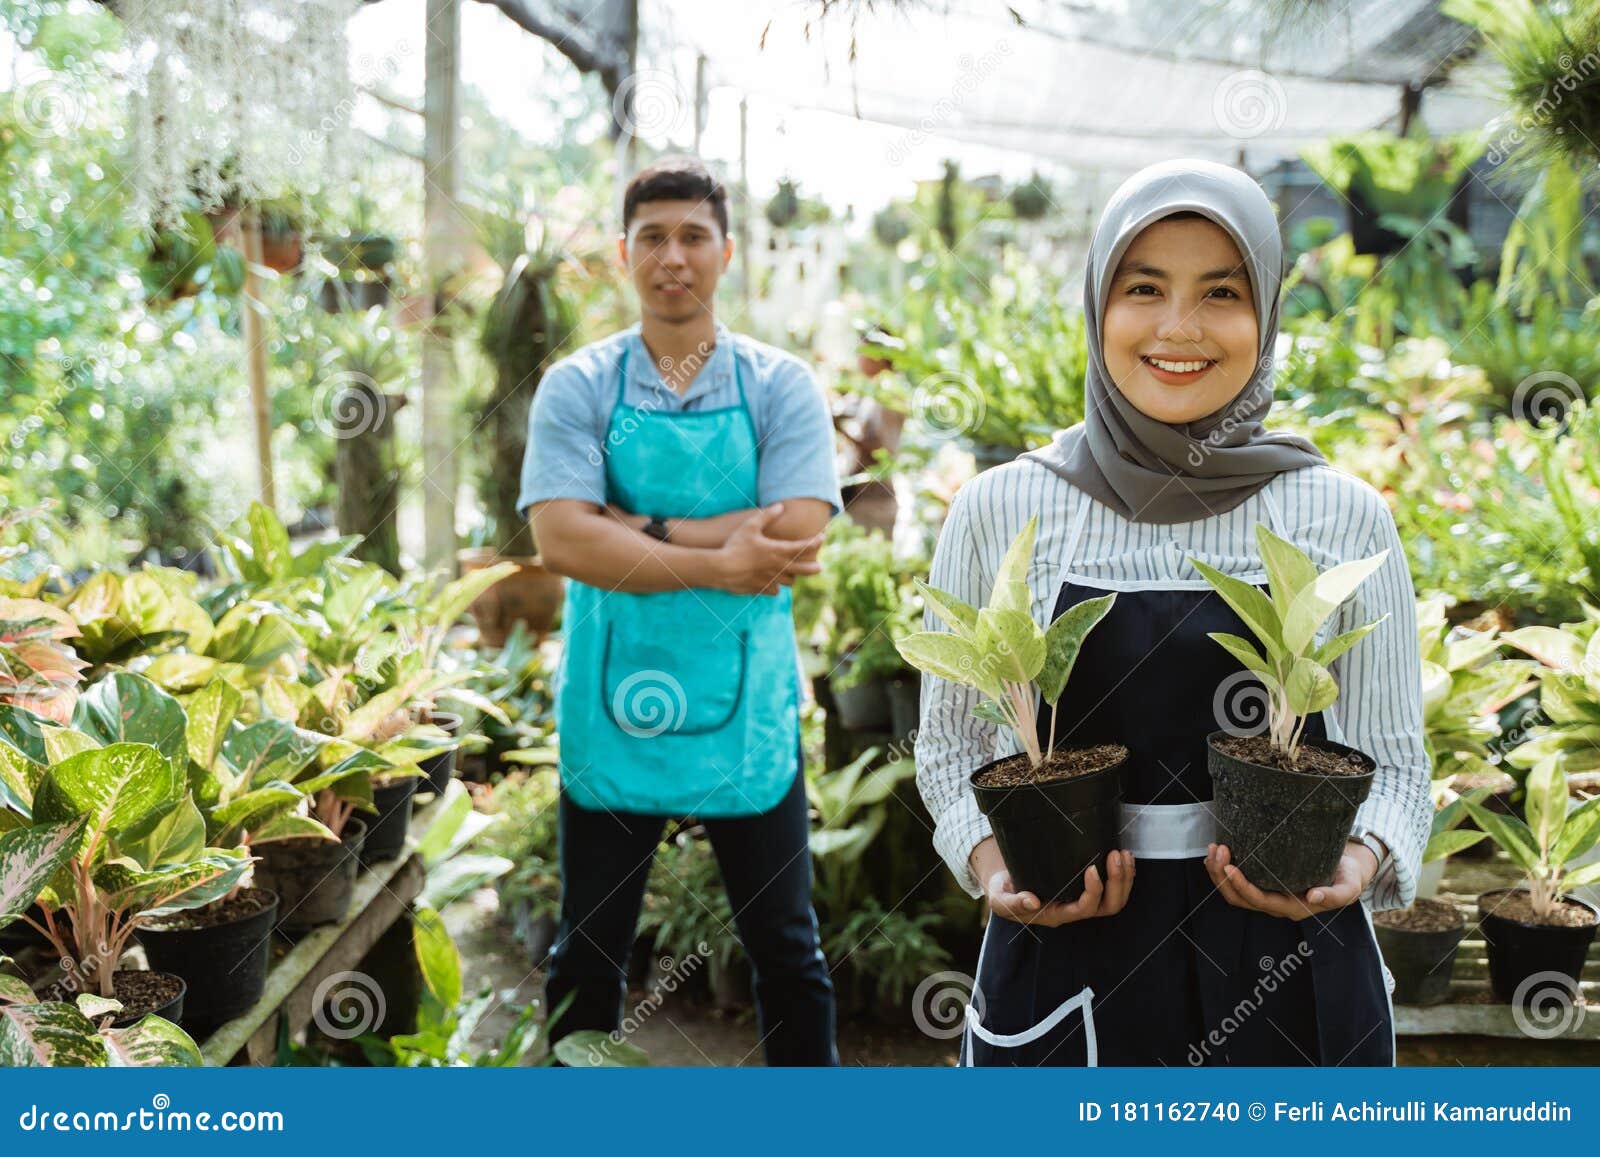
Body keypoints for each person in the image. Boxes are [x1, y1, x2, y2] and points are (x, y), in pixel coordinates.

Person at [915, 159, 1429, 1067]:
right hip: (1066, 957)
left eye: (1221, 292)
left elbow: (1395, 763)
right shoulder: (1002, 509)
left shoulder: (1341, 514)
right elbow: (951, 749)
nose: (1179, 328)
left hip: (1292, 965)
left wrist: (1357, 862)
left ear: (1266, 314)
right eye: (1144, 287)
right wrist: (994, 865)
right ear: (1097, 306)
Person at [518, 156, 843, 1066]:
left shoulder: (781, 386)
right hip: (614, 701)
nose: (674, 256)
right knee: (587, 953)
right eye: (653, 237)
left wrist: (632, 525)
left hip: (745, 705)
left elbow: (797, 531)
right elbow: (560, 541)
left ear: (725, 252)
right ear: (625, 253)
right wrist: (720, 555)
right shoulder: (580, 387)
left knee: (787, 948)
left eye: (693, 236)